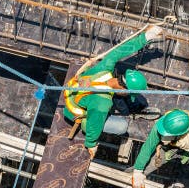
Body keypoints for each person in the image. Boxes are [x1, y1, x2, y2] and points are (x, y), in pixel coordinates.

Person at [64, 24, 163, 157]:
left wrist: (146, 37)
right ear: (124, 87)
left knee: (118, 101)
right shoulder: (103, 103)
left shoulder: (105, 69)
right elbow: (95, 123)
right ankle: (84, 125)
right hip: (75, 112)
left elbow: (119, 51)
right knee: (121, 127)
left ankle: (128, 109)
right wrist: (91, 144)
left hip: (76, 91)